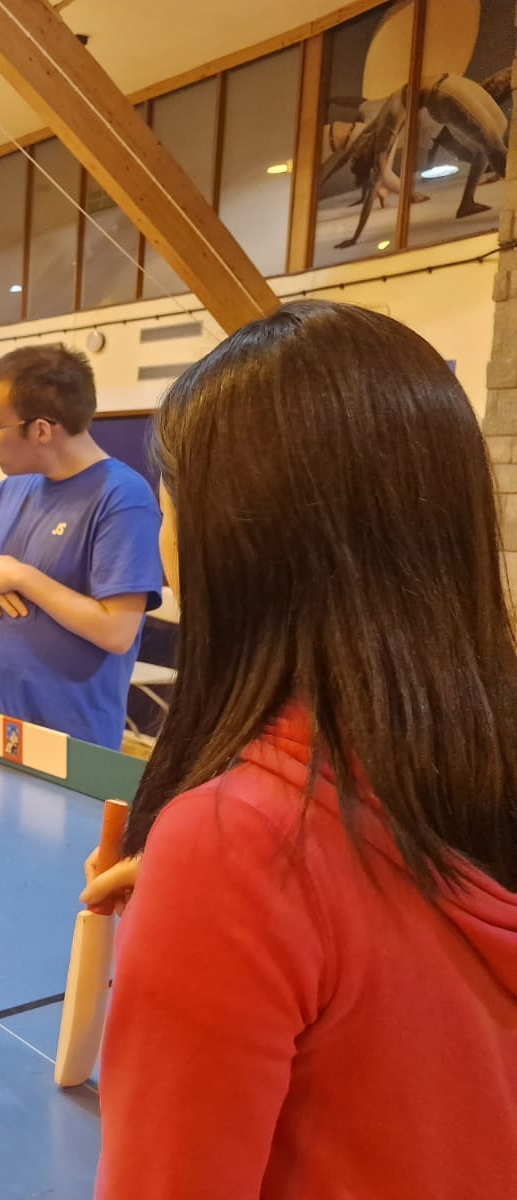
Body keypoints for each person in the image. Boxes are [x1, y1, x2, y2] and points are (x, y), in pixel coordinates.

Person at [87, 301, 517, 1199]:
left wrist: (221, 882)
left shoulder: (237, 848)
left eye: (173, 512)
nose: (165, 558)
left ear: (236, 540)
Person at [0, 344, 163, 748]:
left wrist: (23, 578)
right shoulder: (9, 490)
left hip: (63, 744)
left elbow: (117, 630)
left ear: (40, 430)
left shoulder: (122, 498)